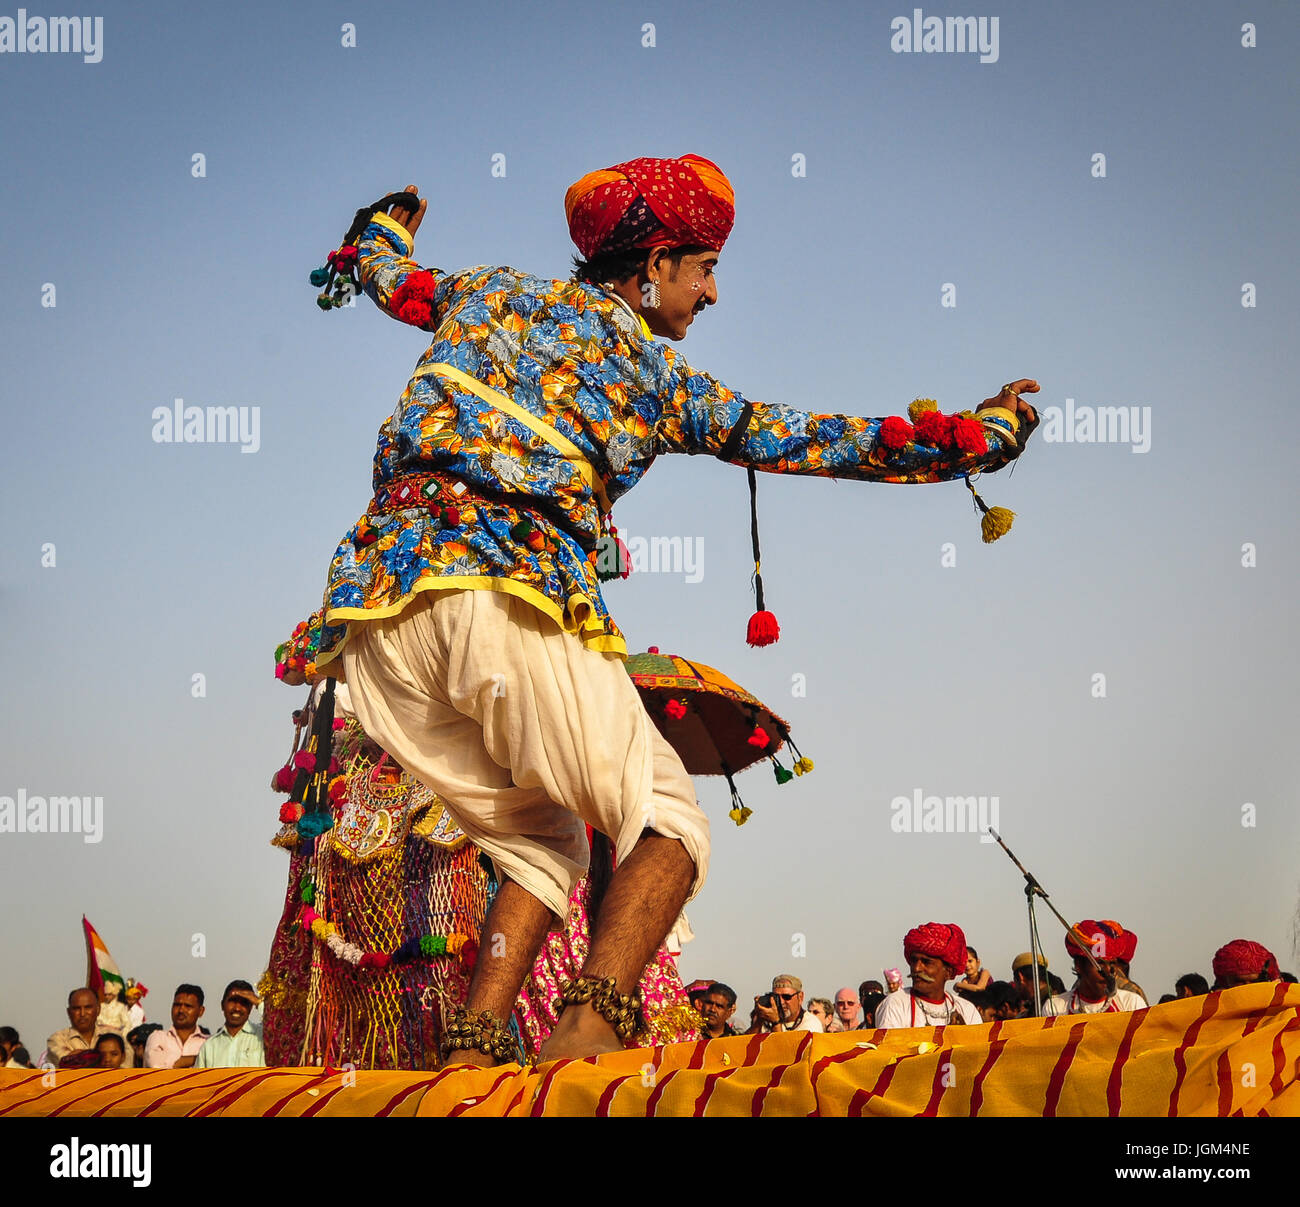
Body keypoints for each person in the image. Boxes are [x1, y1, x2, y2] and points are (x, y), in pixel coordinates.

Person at [313, 157, 1039, 1065]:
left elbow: (387, 276)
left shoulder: (485, 291)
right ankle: (588, 1030)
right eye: (704, 269)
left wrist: (384, 225)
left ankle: (471, 1046)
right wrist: (978, 439)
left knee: (542, 842)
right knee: (669, 818)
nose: (714, 292)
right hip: (499, 586)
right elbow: (807, 438)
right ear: (654, 265)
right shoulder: (656, 374)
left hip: (376, 613)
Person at [875, 923, 983, 1030]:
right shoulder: (895, 1004)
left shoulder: (967, 1010)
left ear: (948, 973)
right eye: (914, 960)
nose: (916, 968)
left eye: (926, 962)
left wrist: (962, 1035)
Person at [1043, 921, 1146, 1016]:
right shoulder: (1055, 1007)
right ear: (1079, 966)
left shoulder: (1132, 1004)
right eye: (1100, 963)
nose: (1108, 971)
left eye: (1112, 964)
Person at [196, 982, 266, 1068]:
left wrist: (259, 1003)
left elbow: (282, 1028)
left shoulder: (263, 1038)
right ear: (222, 1005)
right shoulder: (209, 1046)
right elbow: (199, 1080)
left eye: (243, 1002)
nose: (237, 1008)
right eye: (232, 1001)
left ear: (251, 1007)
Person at [46, 988, 117, 1067]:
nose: (82, 1014)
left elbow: (127, 1068)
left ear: (98, 1009)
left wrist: (81, 1056)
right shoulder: (57, 1040)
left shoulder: (115, 1036)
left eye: (88, 1007)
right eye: (77, 1009)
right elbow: (69, 1063)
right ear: (69, 1012)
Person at [144, 985, 209, 1069]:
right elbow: (156, 1064)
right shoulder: (158, 1037)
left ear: (201, 1011)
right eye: (177, 1005)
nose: (181, 1010)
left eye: (188, 1006)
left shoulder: (208, 1043)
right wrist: (200, 1058)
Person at [749, 974, 824, 1033]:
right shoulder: (767, 1022)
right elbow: (746, 1047)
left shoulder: (811, 1023)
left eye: (786, 997)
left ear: (800, 997)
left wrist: (776, 1023)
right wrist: (759, 1021)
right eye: (776, 997)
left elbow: (785, 1050)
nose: (781, 1002)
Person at [1211, 939, 1280, 990]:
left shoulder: (1283, 1007)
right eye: (1239, 982)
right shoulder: (1212, 1007)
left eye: (1254, 981)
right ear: (1225, 980)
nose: (1247, 987)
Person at [1011, 952, 1054, 1016]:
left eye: (1015, 981)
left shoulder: (1048, 1005)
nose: (1016, 987)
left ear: (1021, 977)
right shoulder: (1057, 997)